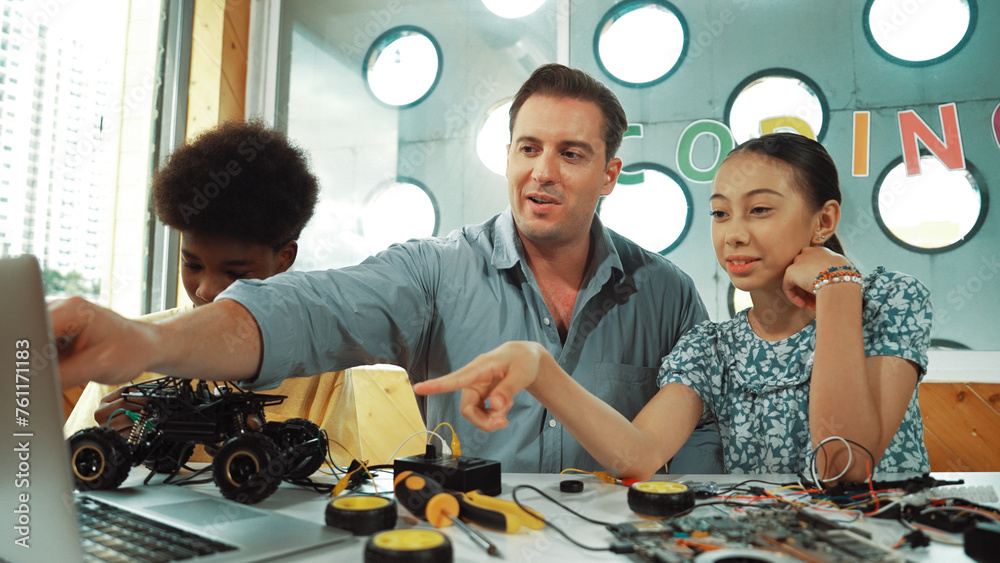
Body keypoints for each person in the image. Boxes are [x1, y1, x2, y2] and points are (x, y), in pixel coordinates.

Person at [52, 64, 721, 473]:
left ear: (609, 174)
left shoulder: (669, 296)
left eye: (572, 153)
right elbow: (311, 310)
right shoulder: (436, 269)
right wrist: (149, 343)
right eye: (528, 147)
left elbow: (694, 457)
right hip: (467, 538)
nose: (542, 171)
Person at [415, 132, 932, 482]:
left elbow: (846, 464)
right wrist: (540, 369)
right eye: (720, 213)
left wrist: (837, 285)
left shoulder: (889, 300)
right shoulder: (714, 345)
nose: (734, 234)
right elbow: (638, 455)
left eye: (760, 210)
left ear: (824, 221)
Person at [63, 119, 319, 436]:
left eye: (236, 273)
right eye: (192, 264)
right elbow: (70, 471)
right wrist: (121, 449)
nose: (207, 290)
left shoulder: (317, 362)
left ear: (284, 259)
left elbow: (342, 474)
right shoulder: (132, 345)